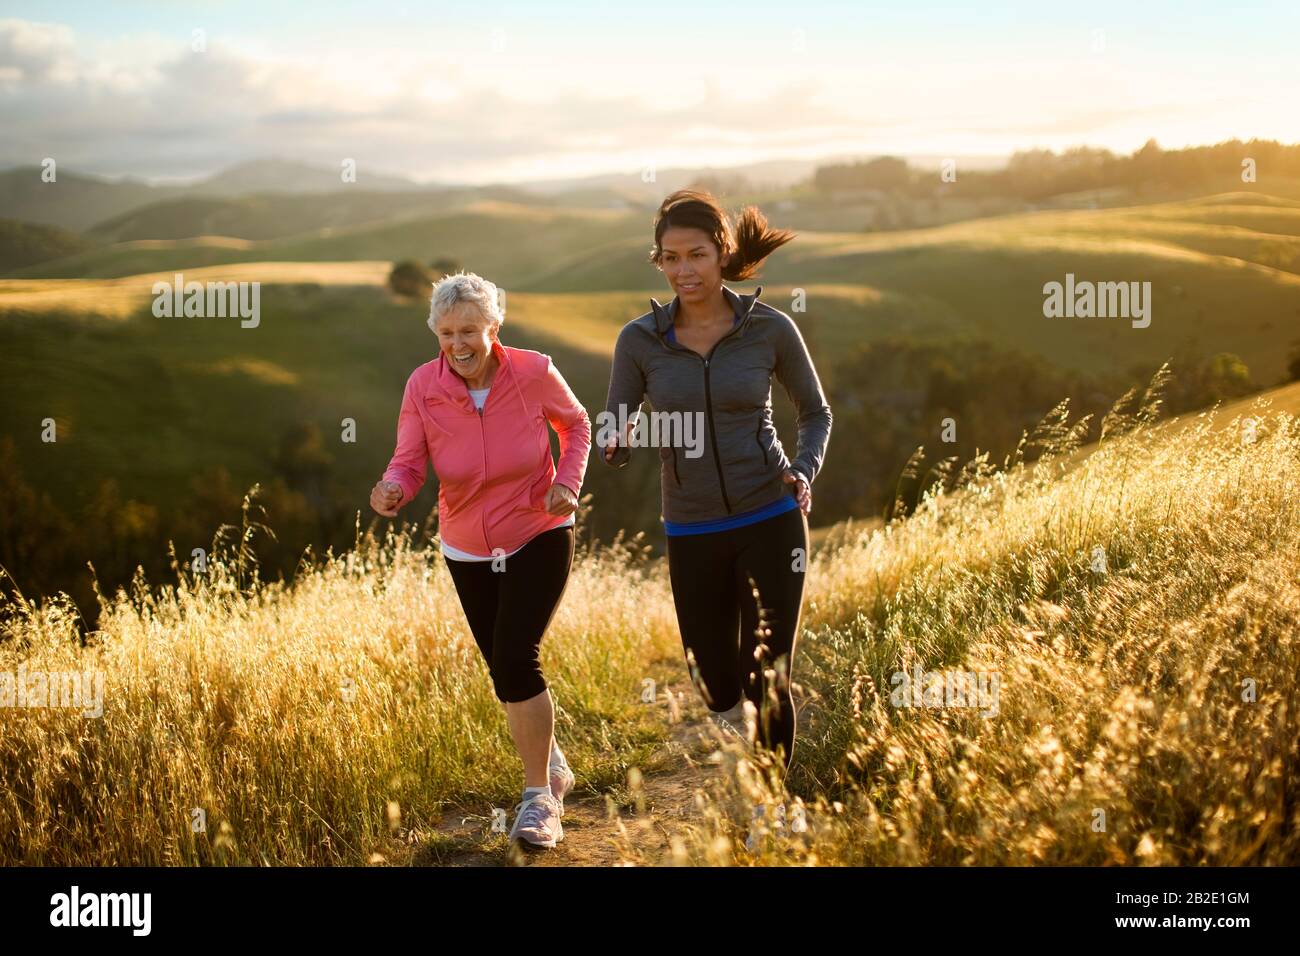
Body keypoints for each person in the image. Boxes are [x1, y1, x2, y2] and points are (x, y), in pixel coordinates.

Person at [601, 189, 831, 775]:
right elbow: (616, 424)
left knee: (770, 670)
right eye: (670, 258)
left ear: (722, 253)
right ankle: (743, 747)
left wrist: (803, 471)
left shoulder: (769, 329)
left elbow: (815, 412)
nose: (684, 270)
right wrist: (617, 440)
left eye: (696, 255)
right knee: (713, 677)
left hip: (771, 515)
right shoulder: (639, 341)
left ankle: (773, 801)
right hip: (692, 523)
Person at [371, 271, 591, 849]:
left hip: (538, 529)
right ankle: (553, 762)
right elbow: (409, 459)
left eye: (470, 329)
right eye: (446, 332)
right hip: (466, 543)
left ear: (495, 327)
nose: (458, 343)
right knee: (502, 665)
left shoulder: (534, 372)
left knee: (517, 654)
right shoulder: (423, 385)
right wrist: (393, 485)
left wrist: (567, 481)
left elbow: (577, 425)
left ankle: (539, 800)